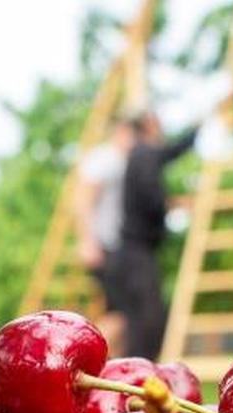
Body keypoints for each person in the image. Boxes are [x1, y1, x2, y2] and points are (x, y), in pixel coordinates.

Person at [114, 113, 199, 359]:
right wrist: (176, 203)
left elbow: (173, 151)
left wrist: (198, 125)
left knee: (140, 321)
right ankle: (138, 374)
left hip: (133, 254)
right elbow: (152, 198)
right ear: (150, 126)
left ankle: (132, 371)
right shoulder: (144, 153)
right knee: (148, 322)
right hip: (136, 253)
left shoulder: (141, 154)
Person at [74, 121, 135, 352]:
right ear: (121, 132)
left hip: (114, 247)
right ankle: (83, 355)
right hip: (103, 246)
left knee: (120, 313)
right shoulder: (106, 159)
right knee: (121, 313)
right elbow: (83, 197)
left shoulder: (120, 161)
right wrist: (87, 241)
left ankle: (106, 367)